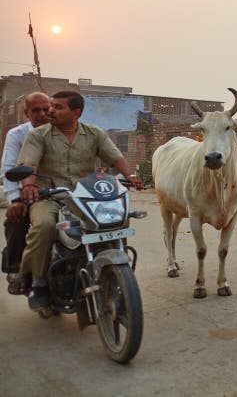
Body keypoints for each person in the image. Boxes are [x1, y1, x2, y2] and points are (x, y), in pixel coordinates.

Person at [16, 90, 142, 313]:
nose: (50, 111)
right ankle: (38, 282)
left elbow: (115, 157)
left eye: (58, 107)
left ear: (76, 112)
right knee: (44, 226)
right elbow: (29, 163)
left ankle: (112, 269)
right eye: (51, 106)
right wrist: (29, 185)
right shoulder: (39, 135)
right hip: (51, 196)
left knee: (118, 219)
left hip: (86, 197)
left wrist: (130, 176)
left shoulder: (94, 134)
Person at [1, 92, 51, 295]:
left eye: (46, 109)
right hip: (28, 193)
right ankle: (15, 270)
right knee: (16, 219)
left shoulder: (60, 131)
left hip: (60, 191)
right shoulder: (17, 134)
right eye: (36, 110)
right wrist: (14, 199)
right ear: (26, 113)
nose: (42, 114)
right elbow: (8, 168)